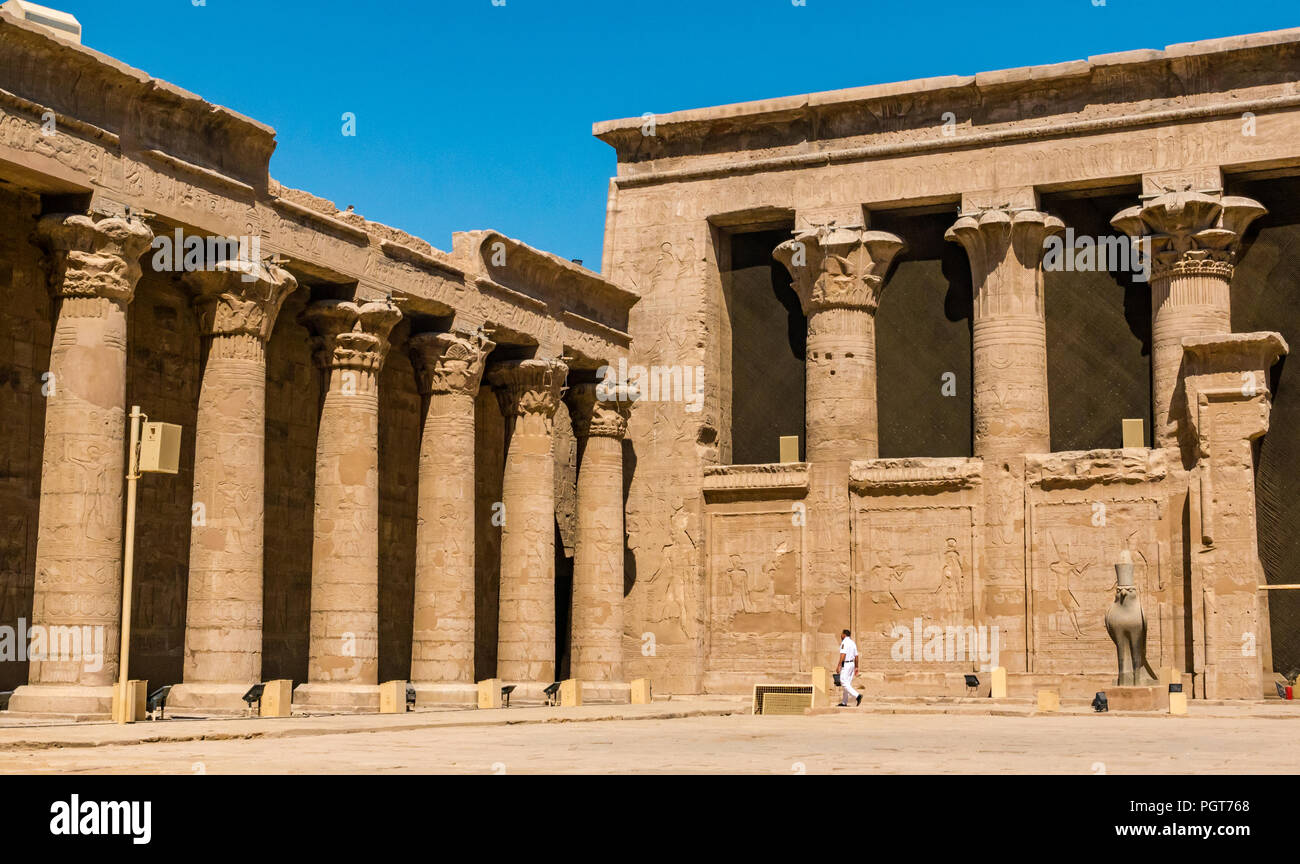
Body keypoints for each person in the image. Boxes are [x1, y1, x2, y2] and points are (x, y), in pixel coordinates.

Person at [837, 629, 861, 707]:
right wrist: (856, 667)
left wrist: (839, 665)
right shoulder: (852, 643)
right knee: (847, 683)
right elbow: (856, 656)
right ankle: (844, 702)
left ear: (844, 635)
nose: (841, 636)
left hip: (846, 664)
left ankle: (857, 695)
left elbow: (843, 655)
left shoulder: (844, 642)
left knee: (843, 681)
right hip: (852, 664)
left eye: (841, 634)